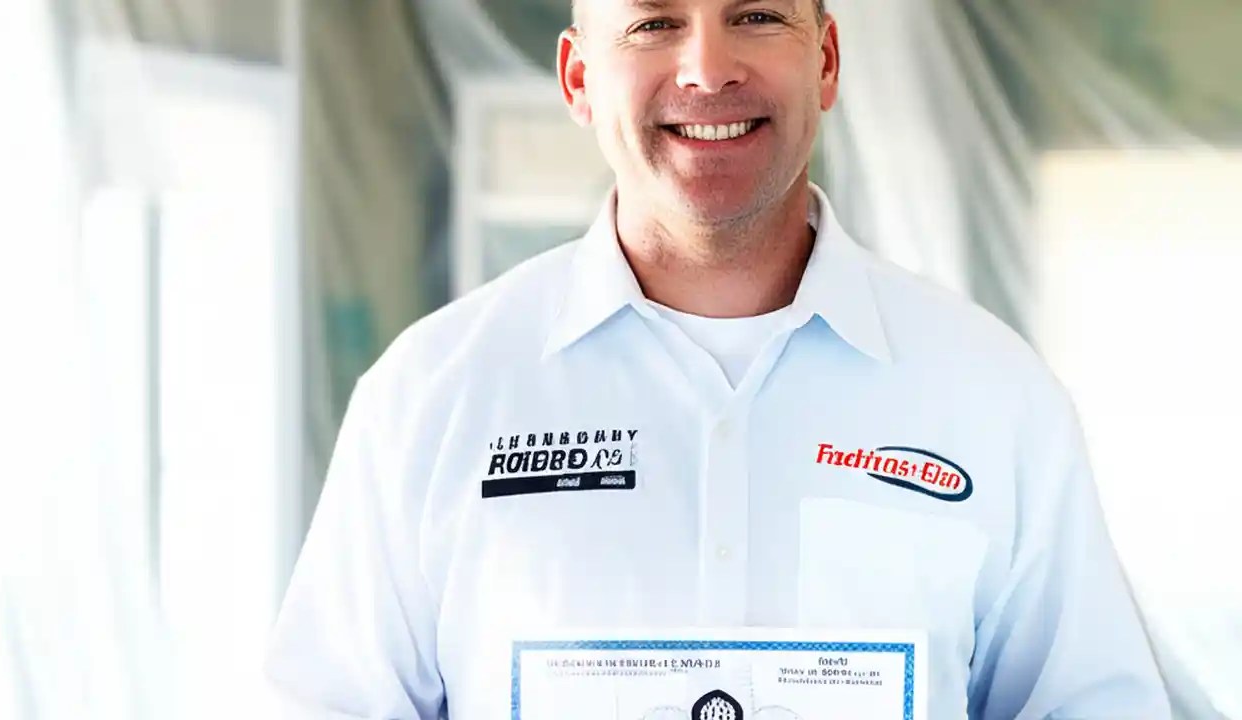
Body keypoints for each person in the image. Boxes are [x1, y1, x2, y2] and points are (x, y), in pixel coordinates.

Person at [264, 0, 1171, 717]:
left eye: (758, 16)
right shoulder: (430, 398)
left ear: (825, 62)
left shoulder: (994, 400)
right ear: (579, 77)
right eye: (655, 22)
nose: (706, 68)